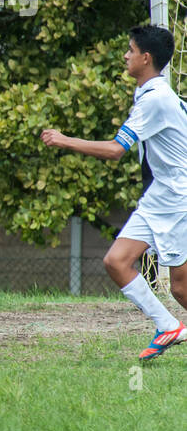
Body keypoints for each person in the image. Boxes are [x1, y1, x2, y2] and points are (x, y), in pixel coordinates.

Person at [42, 24, 187, 360]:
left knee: (180, 286)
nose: (126, 55)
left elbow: (115, 150)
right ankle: (168, 326)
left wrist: (64, 140)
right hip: (160, 198)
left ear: (146, 58)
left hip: (177, 199)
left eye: (131, 50)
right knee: (116, 261)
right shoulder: (155, 94)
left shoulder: (156, 100)